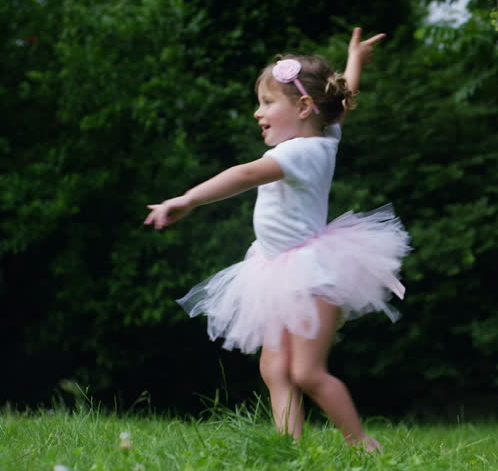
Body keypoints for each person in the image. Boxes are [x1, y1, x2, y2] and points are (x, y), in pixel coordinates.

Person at [144, 28, 408, 451]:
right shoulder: (324, 135)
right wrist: (353, 61)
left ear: (304, 106)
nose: (257, 112)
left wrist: (189, 199)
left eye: (268, 102)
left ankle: (363, 444)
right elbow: (340, 104)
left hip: (310, 272)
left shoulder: (300, 153)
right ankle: (289, 447)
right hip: (276, 268)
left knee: (306, 372)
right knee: (275, 368)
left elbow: (244, 175)